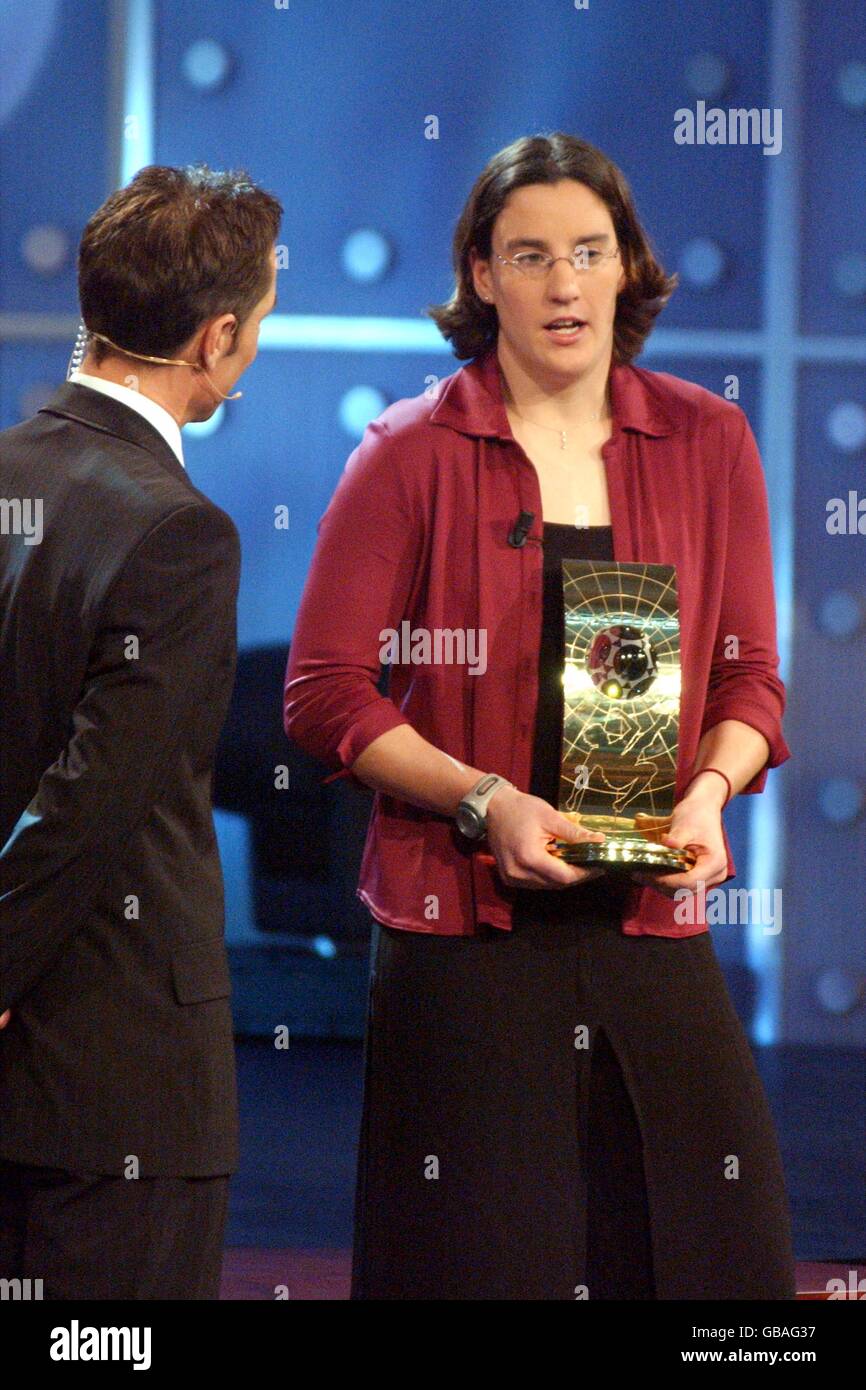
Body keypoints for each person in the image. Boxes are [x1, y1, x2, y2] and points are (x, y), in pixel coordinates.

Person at [283, 132, 796, 1299]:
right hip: (462, 928)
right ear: (479, 275)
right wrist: (485, 801)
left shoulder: (706, 442)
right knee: (480, 1262)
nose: (564, 284)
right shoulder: (411, 451)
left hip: (647, 908)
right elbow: (323, 694)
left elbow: (749, 679)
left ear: (626, 268)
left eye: (587, 251)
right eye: (529, 256)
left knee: (714, 1254)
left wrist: (709, 794)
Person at [0, 163, 281, 1299]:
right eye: (257, 325)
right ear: (214, 339)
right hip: (109, 1083)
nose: (252, 351)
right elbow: (93, 801)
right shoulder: (180, 532)